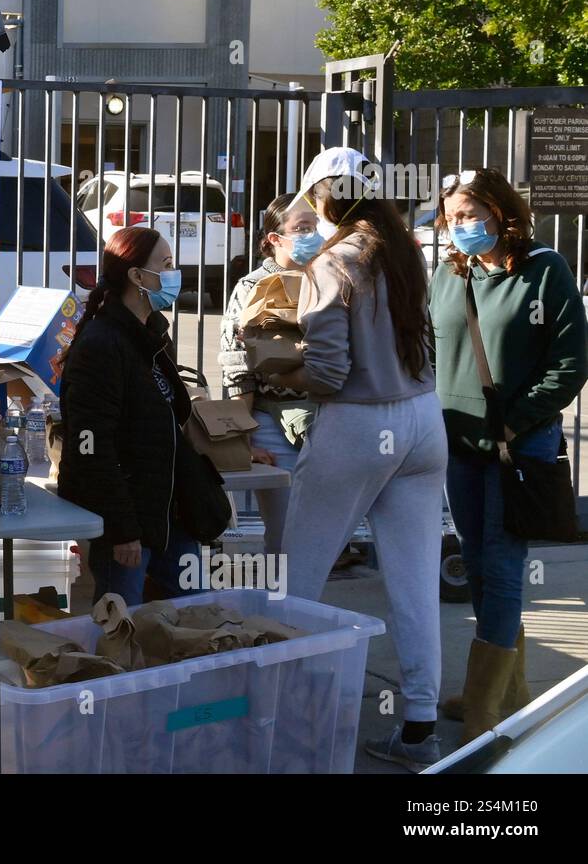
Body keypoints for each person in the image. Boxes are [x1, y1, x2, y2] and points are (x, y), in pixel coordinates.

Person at [264, 146, 447, 771]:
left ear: (324, 198)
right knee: (416, 581)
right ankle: (420, 727)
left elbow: (329, 370)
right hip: (424, 421)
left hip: (359, 426)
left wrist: (283, 368)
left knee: (302, 579)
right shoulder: (406, 254)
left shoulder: (331, 262)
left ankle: (289, 717)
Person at [429, 169, 587, 741]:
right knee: (474, 559)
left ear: (502, 212)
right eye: (452, 217)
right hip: (458, 440)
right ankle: (503, 690)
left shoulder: (546, 270)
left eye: (470, 215)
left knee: (500, 564)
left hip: (519, 444)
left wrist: (515, 422)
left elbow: (570, 362)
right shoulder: (451, 272)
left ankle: (484, 709)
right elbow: (429, 346)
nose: (459, 227)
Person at [57, 224, 201, 606]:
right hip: (128, 524)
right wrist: (122, 530)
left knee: (199, 618)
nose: (174, 273)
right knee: (122, 633)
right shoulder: (103, 345)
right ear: (137, 276)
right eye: (166, 264)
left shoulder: (151, 334)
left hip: (169, 515)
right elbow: (91, 447)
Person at [218, 194, 321, 553]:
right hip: (275, 429)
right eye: (302, 229)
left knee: (321, 539)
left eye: (316, 226)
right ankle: (281, 607)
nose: (314, 235)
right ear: (275, 238)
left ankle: (307, 608)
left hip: (332, 422)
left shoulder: (331, 278)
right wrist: (242, 437)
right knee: (287, 537)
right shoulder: (251, 288)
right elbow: (237, 368)